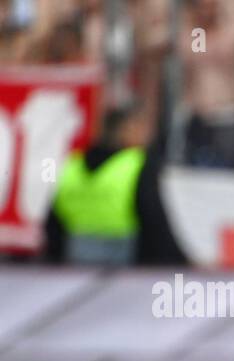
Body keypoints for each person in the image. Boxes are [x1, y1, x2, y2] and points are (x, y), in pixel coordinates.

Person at [44, 102, 188, 266]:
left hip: (74, 262)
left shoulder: (71, 165)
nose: (148, 136)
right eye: (143, 128)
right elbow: (155, 221)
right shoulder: (136, 164)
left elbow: (52, 225)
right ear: (128, 129)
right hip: (123, 264)